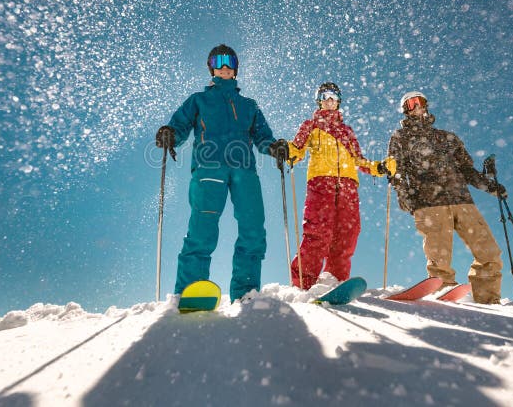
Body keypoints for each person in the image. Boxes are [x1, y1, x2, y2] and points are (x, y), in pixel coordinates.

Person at [155, 44, 289, 302]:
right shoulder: (199, 100)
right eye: (218, 61)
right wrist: (171, 133)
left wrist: (274, 147)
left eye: (229, 61)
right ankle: (190, 291)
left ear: (236, 68)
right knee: (202, 229)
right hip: (209, 168)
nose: (224, 66)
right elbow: (180, 125)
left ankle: (246, 292)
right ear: (211, 68)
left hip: (244, 171)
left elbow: (263, 137)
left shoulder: (249, 105)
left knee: (253, 230)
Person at [387, 90, 506, 304]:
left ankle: (488, 300)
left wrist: (490, 187)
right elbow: (396, 170)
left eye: (420, 101)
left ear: (426, 104)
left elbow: (467, 170)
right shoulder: (401, 138)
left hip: (461, 199)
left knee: (489, 252)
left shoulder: (447, 138)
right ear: (405, 110)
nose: (416, 107)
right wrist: (403, 193)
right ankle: (444, 291)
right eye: (411, 103)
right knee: (439, 257)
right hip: (429, 202)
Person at [286, 82, 396, 290]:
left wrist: (379, 167)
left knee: (348, 233)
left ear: (338, 102)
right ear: (319, 100)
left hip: (347, 186)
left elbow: (360, 160)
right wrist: (289, 151)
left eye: (334, 96)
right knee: (319, 232)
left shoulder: (346, 131)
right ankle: (304, 283)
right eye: (325, 96)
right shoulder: (311, 125)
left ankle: (335, 280)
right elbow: (298, 149)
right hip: (321, 182)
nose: (329, 100)